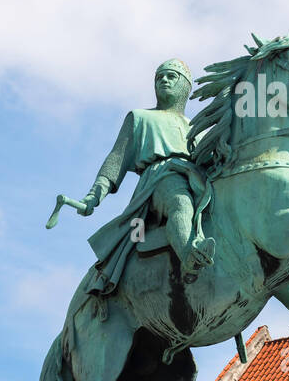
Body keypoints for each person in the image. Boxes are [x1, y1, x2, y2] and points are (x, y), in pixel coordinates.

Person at [77, 59, 214, 292]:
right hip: (161, 178)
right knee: (180, 203)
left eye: (172, 76)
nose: (164, 80)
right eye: (160, 77)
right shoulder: (140, 117)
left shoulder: (196, 127)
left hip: (196, 179)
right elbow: (115, 160)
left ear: (185, 87)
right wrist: (93, 197)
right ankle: (191, 257)